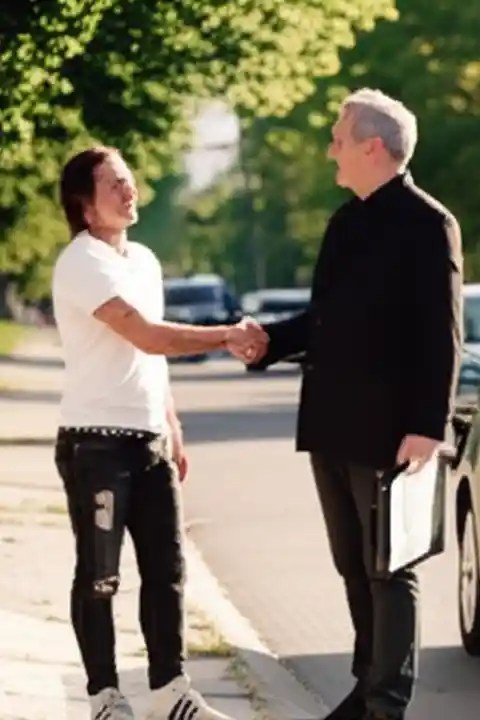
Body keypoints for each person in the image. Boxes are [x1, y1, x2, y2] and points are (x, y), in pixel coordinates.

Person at [230, 88, 463, 720]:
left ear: (372, 147)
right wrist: (269, 342)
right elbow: (326, 321)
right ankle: (365, 688)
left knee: (391, 570)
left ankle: (386, 704)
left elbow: (441, 334)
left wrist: (427, 426)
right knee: (352, 567)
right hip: (330, 422)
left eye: (338, 137)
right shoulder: (345, 221)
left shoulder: (428, 223)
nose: (330, 149)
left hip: (391, 431)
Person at [50, 146, 265, 719]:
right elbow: (146, 335)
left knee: (167, 571)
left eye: (129, 180)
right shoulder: (81, 262)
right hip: (95, 444)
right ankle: (104, 696)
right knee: (100, 575)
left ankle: (170, 692)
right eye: (114, 184)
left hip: (147, 441)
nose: (129, 190)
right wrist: (225, 336)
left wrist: (171, 423)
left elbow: (154, 360)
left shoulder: (143, 260)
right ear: (86, 207)